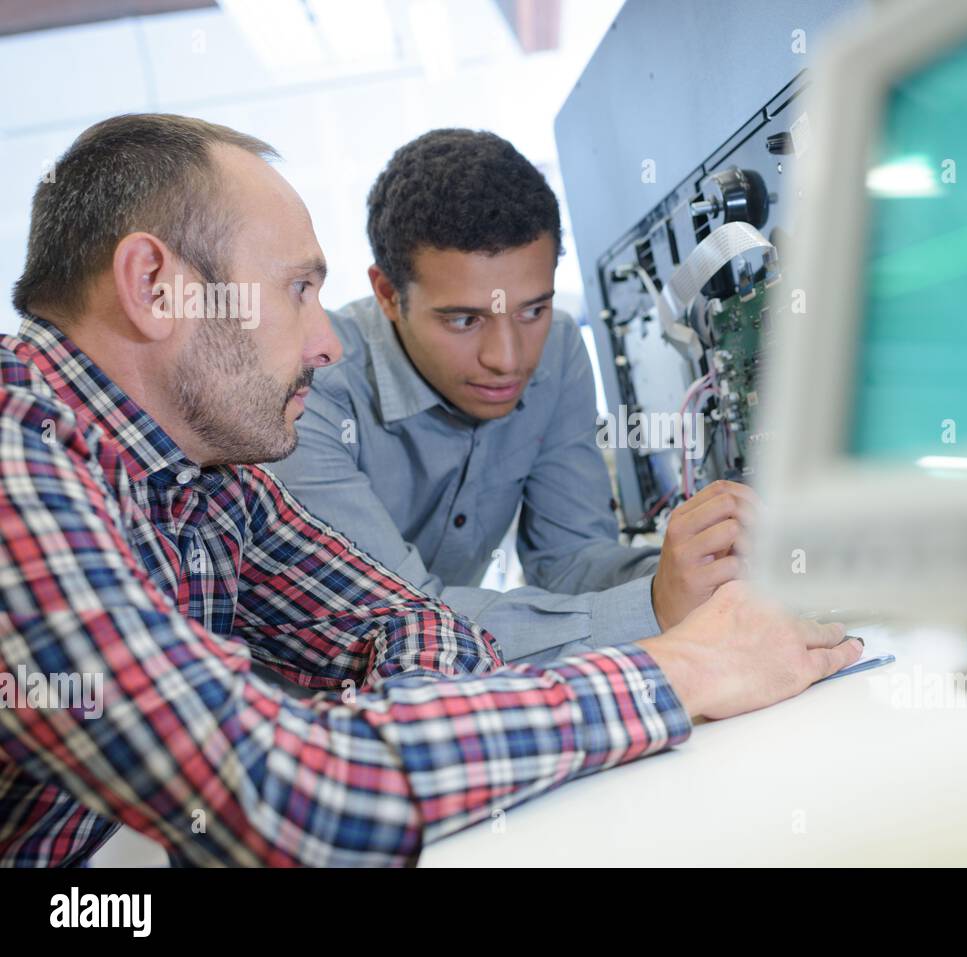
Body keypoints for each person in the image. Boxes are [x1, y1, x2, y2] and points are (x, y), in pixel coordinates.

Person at [0, 113, 860, 866]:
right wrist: (673, 673)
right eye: (298, 289)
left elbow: (412, 625)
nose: (324, 342)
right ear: (155, 286)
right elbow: (279, 795)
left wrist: (387, 719)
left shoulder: (201, 484)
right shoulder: (15, 453)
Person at [270, 129, 749, 662]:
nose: (508, 358)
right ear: (387, 293)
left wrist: (699, 568)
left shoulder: (560, 349)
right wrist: (653, 606)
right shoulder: (309, 389)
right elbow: (399, 622)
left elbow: (568, 562)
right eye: (464, 319)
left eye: (532, 310)